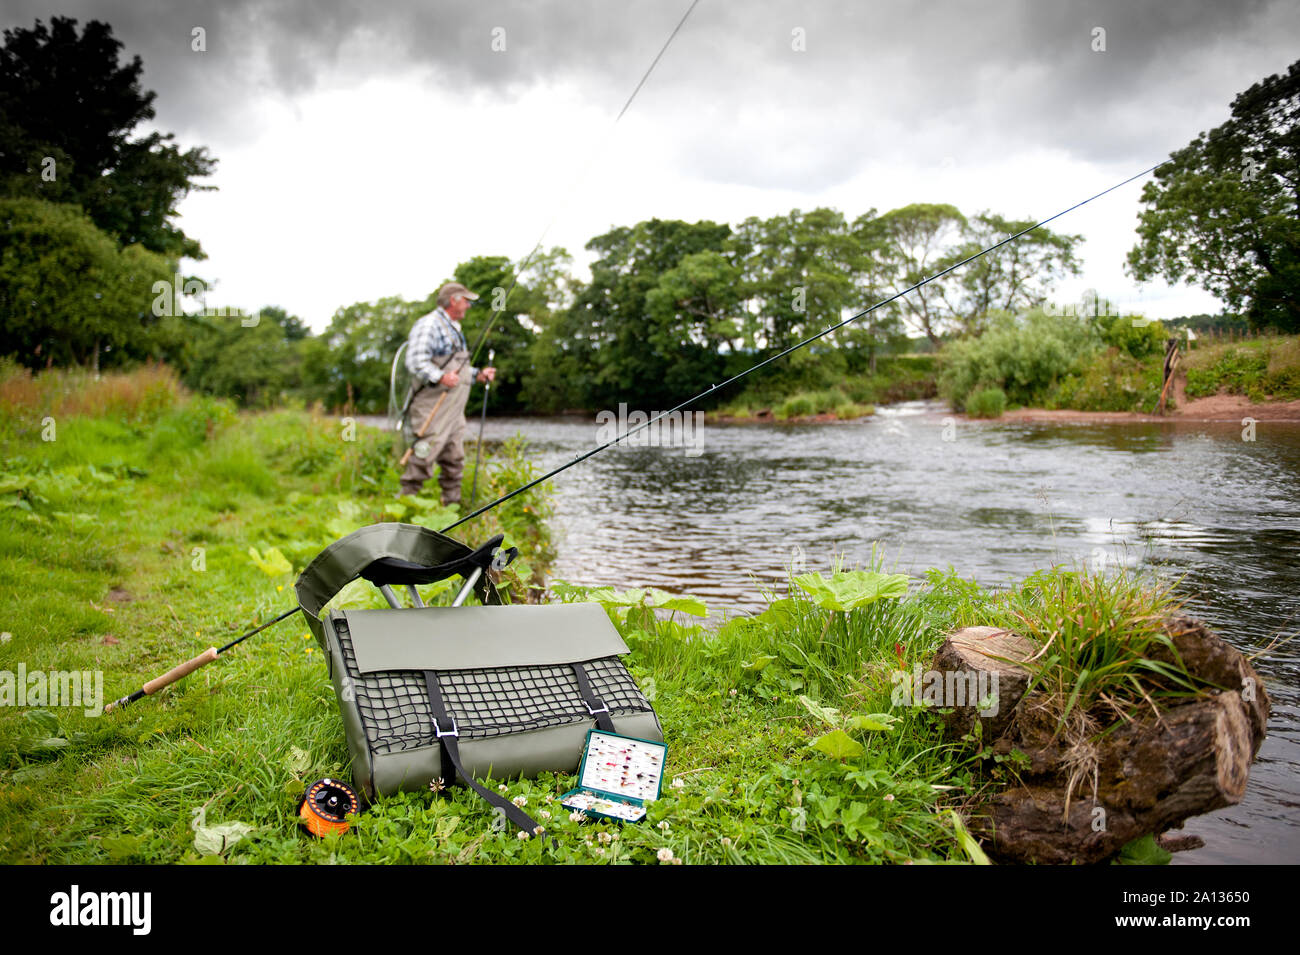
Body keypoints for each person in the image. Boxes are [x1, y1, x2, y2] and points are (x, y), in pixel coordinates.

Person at [399, 282, 497, 504]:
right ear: (453, 300)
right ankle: (404, 505)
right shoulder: (429, 325)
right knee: (424, 454)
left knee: (454, 458)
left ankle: (451, 509)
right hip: (431, 406)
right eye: (466, 300)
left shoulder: (454, 328)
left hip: (454, 410)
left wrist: (477, 375)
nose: (469, 306)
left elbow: (455, 369)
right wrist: (440, 377)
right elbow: (415, 361)